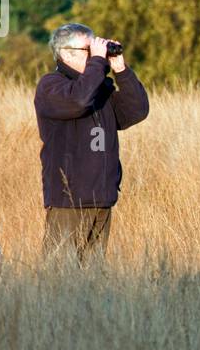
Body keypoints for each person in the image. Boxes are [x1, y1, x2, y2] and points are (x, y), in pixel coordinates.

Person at [35, 22, 149, 265]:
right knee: (59, 278)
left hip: (102, 199)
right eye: (89, 49)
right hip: (69, 201)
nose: (96, 54)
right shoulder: (51, 86)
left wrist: (120, 69)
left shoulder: (99, 90)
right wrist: (98, 63)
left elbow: (137, 111)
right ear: (66, 53)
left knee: (92, 281)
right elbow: (79, 101)